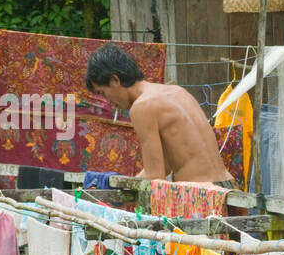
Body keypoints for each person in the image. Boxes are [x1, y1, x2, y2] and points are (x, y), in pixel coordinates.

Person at [85, 44, 233, 185]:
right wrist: (122, 183)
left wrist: (114, 189)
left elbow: (155, 177)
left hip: (200, 194)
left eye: (102, 93)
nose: (107, 101)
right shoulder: (177, 91)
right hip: (227, 187)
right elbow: (166, 165)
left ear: (114, 80)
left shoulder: (142, 106)